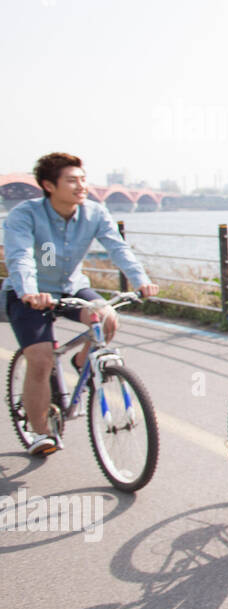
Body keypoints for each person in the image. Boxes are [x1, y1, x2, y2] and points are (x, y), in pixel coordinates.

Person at [2, 152, 159, 455]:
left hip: (71, 288)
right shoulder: (25, 215)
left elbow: (118, 247)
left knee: (108, 317)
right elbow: (20, 256)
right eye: (72, 181)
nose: (81, 185)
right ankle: (40, 432)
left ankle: (81, 362)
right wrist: (31, 292)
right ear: (49, 185)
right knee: (41, 358)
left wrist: (140, 279)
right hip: (29, 294)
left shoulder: (95, 213)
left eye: (83, 179)